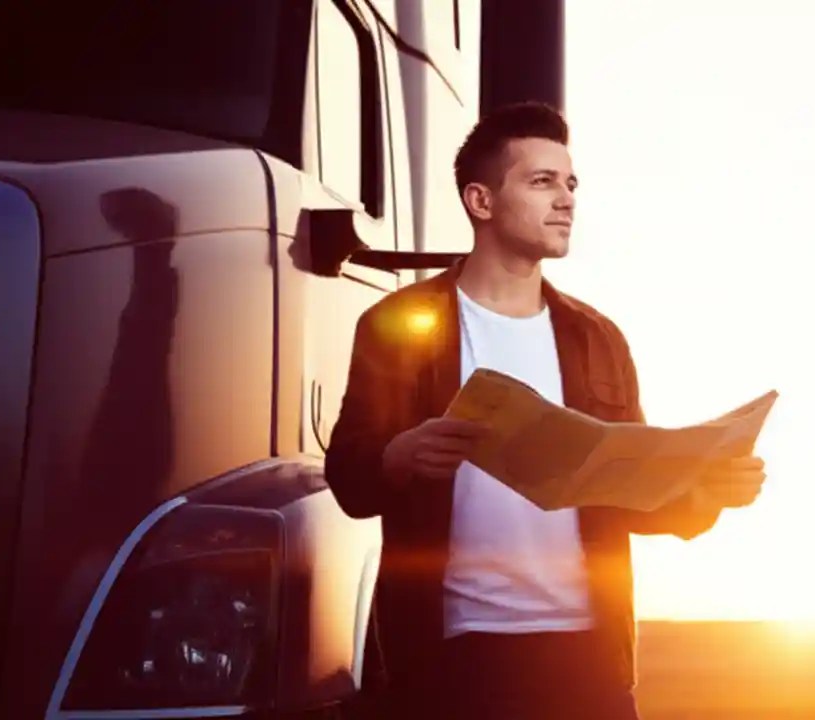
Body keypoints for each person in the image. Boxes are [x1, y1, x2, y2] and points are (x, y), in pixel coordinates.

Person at [324, 101, 766, 719]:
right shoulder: (396, 326)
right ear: (481, 202)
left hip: (589, 661)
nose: (566, 199)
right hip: (449, 661)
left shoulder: (598, 340)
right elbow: (348, 478)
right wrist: (399, 455)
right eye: (542, 182)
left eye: (570, 183)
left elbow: (636, 496)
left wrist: (712, 488)